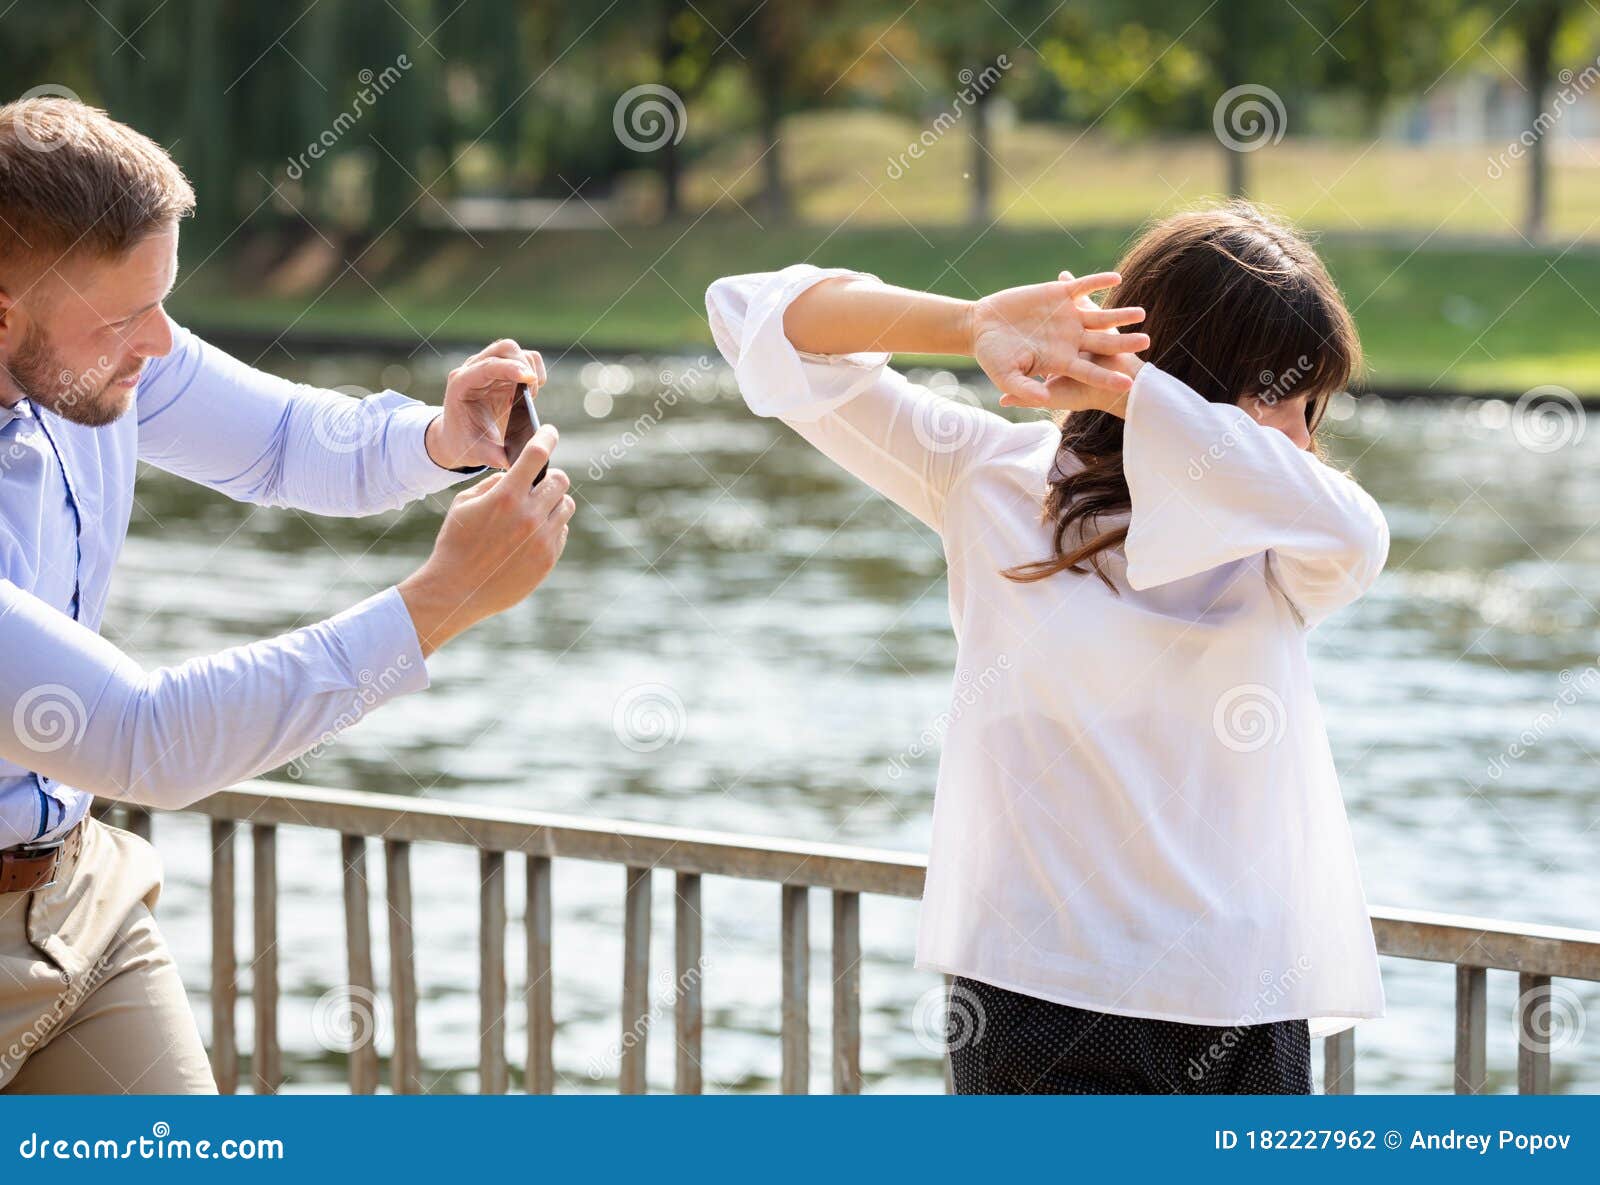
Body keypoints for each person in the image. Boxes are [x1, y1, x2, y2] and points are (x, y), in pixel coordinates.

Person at [705, 199, 1389, 1095]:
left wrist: (1127, 390)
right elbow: (748, 314)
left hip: (1241, 1009)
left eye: (1313, 406)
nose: (1305, 438)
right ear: (1201, 374)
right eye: (1279, 398)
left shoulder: (1288, 545)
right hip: (1034, 1002)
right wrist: (975, 323)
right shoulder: (989, 478)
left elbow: (1359, 532)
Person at [0, 97, 575, 1093]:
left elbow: (285, 444)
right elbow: (145, 739)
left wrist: (440, 441)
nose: (164, 343)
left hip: (74, 903)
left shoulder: (97, 359)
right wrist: (442, 600)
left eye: (164, 300)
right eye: (130, 315)